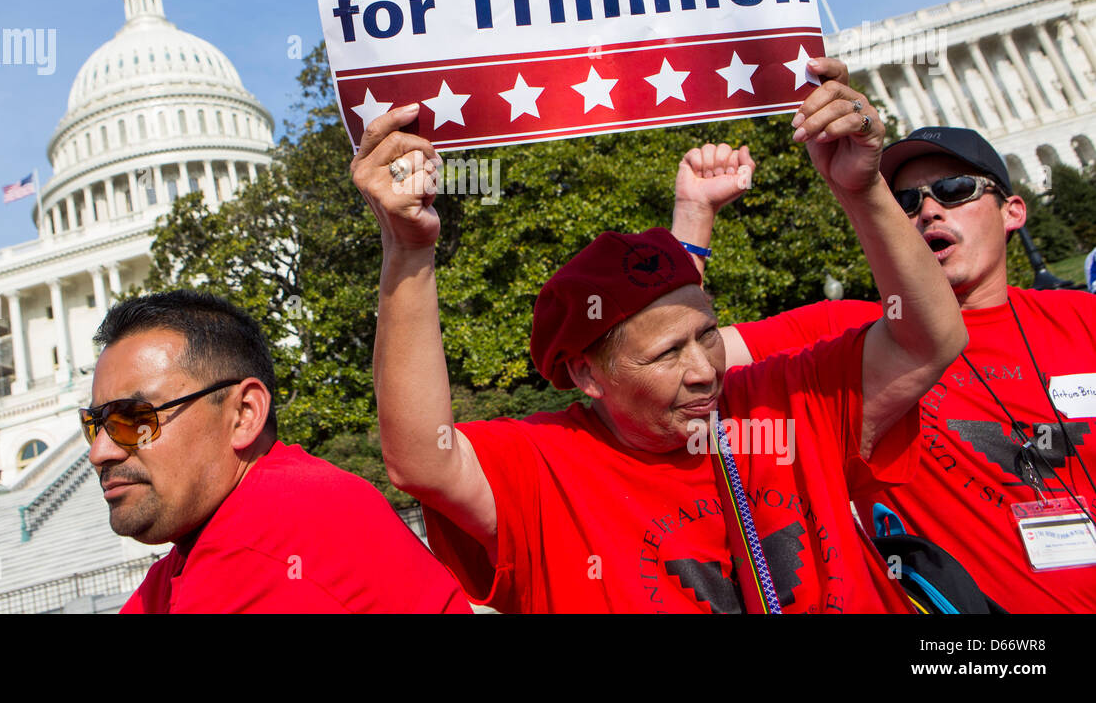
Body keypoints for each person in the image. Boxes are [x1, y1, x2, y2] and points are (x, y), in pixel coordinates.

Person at [352, 58, 966, 613]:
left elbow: (928, 340)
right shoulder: (546, 468)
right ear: (587, 375)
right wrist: (408, 250)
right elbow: (422, 461)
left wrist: (864, 190)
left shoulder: (782, 401)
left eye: (706, 334)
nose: (704, 371)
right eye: (667, 353)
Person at [677, 123, 1096, 613]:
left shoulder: (1082, 321)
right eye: (906, 202)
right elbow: (680, 361)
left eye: (954, 189)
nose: (929, 211)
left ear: (1013, 211)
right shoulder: (852, 336)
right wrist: (694, 217)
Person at [84, 290, 473, 613]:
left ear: (244, 415)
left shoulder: (265, 538)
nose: (100, 452)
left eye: (134, 419)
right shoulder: (193, 552)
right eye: (95, 425)